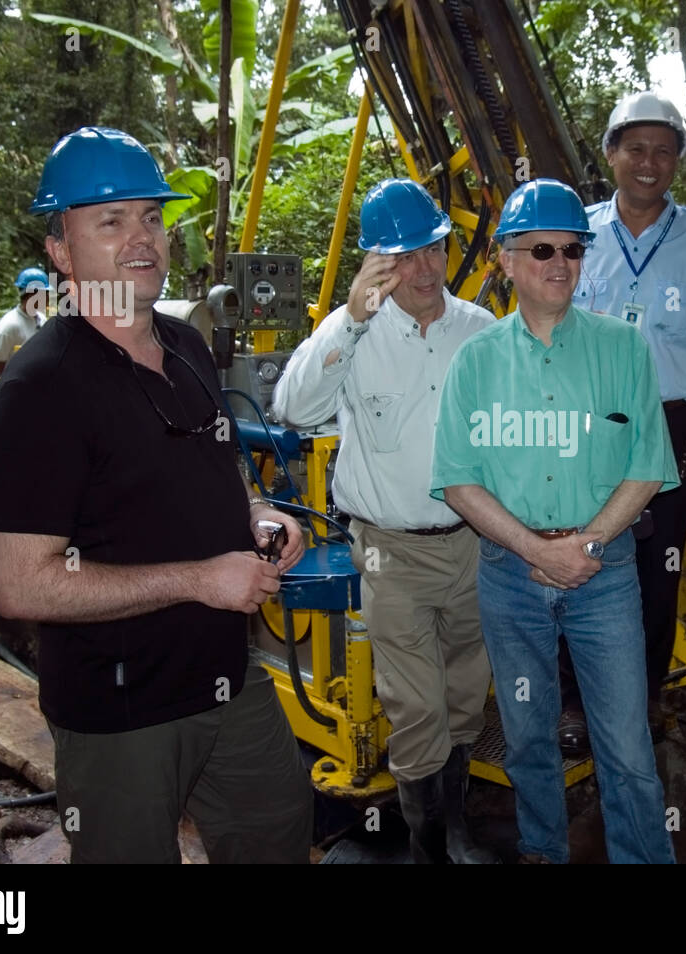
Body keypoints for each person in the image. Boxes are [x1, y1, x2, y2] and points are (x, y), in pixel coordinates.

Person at [0, 126, 314, 864]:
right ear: (61, 251)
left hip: (226, 671)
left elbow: (216, 459)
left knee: (280, 828)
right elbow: (20, 586)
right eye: (111, 220)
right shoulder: (39, 391)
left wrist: (254, 513)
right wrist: (200, 578)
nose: (143, 238)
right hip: (121, 708)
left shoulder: (185, 344)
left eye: (152, 218)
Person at [431, 178, 679, 864]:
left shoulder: (623, 350)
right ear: (505, 261)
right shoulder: (476, 361)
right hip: (511, 576)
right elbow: (458, 481)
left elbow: (649, 467)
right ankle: (543, 849)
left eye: (573, 248)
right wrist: (533, 551)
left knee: (626, 744)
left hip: (604, 573)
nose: (560, 263)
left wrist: (584, 544)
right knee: (528, 733)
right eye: (541, 249)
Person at [271, 178, 495, 864]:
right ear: (375, 265)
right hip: (389, 551)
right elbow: (292, 407)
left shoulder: (481, 333)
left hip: (473, 545)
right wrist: (349, 317)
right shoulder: (353, 335)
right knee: (417, 707)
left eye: (432, 249)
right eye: (402, 257)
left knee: (464, 695)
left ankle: (451, 827)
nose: (423, 269)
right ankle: (428, 846)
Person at [574, 91, 686, 738]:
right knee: (578, 549)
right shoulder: (577, 233)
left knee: (659, 565)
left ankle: (641, 700)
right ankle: (575, 698)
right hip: (587, 422)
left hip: (668, 424)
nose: (650, 163)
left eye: (664, 152)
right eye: (636, 148)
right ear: (612, 154)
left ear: (678, 161)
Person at [0, 267, 49, 375]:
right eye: (45, 294)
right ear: (31, 295)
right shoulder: (9, 326)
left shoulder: (41, 318)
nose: (48, 298)